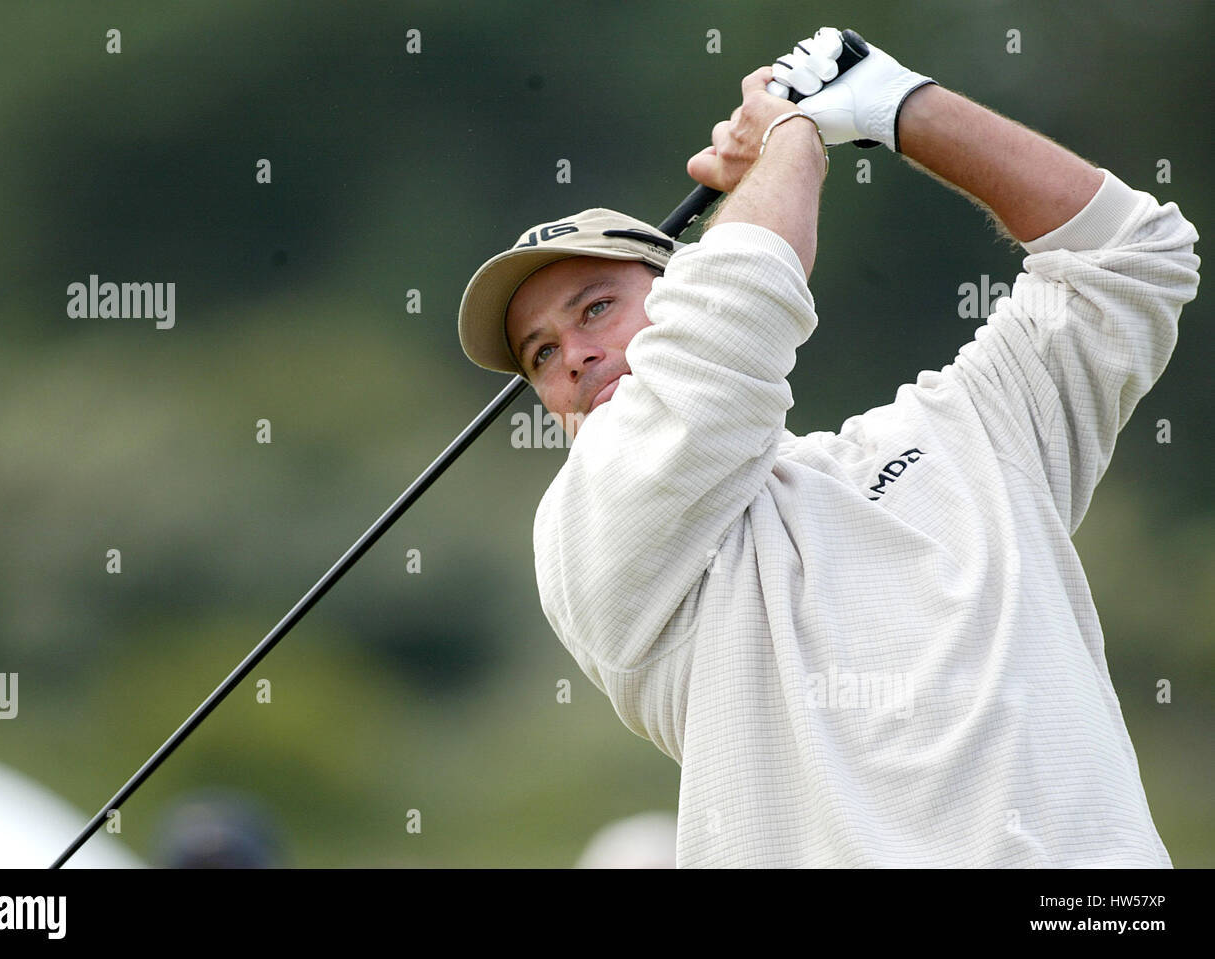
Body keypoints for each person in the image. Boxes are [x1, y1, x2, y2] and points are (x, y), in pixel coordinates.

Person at [456, 27, 1200, 867]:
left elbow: (1129, 256)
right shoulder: (586, 533)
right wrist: (792, 136)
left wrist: (899, 106)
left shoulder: (966, 433)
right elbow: (732, 317)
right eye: (540, 355)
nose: (573, 358)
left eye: (595, 308)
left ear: (680, 289)